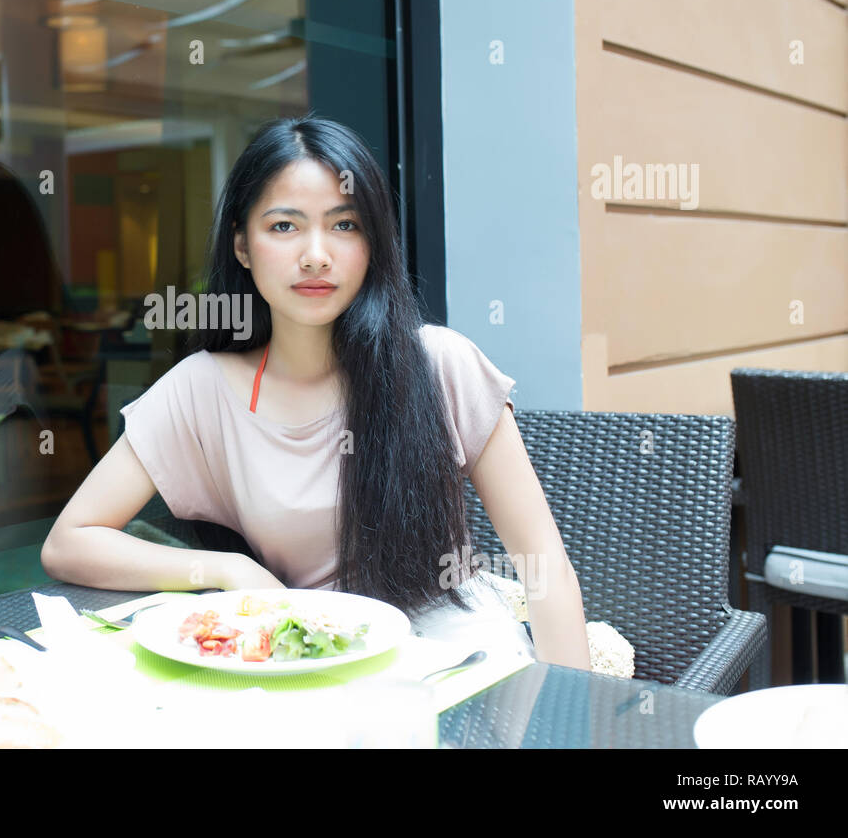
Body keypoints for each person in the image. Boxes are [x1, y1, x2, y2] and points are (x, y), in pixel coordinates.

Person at [41, 115, 591, 671]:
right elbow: (70, 542)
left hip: (454, 656)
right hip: (303, 662)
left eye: (344, 225)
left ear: (372, 242)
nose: (315, 255)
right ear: (242, 246)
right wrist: (227, 572)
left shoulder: (440, 363)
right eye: (284, 226)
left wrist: (576, 716)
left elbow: (544, 564)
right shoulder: (202, 389)